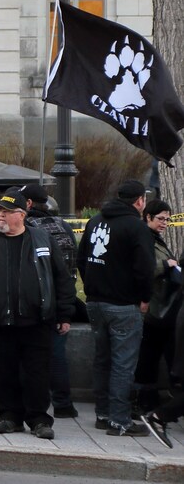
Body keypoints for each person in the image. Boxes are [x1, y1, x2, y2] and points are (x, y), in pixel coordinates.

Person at [0, 189, 75, 440]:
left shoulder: (42, 239)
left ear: (21, 215)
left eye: (7, 212)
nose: (1, 215)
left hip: (36, 321)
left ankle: (39, 419)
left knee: (37, 373)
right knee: (3, 372)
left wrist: (64, 314)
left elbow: (62, 278)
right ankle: (9, 416)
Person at [78, 179, 155, 437]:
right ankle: (119, 420)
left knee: (102, 360)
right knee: (123, 364)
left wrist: (92, 287)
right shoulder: (137, 227)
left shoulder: (95, 221)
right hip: (123, 305)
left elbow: (82, 258)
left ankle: (102, 413)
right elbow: (144, 268)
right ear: (140, 201)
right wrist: (145, 297)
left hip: (95, 302)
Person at [20, 182, 81, 419]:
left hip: (35, 303)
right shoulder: (62, 225)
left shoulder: (28, 228)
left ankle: (29, 403)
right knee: (57, 355)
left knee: (30, 357)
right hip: (61, 300)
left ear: (27, 204)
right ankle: (63, 404)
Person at [136, 199, 181, 413]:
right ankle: (147, 399)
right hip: (152, 307)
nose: (164, 223)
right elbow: (142, 268)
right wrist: (166, 264)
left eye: (167, 220)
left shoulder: (156, 238)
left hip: (161, 306)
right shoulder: (145, 238)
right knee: (150, 355)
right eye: (161, 219)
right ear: (148, 217)